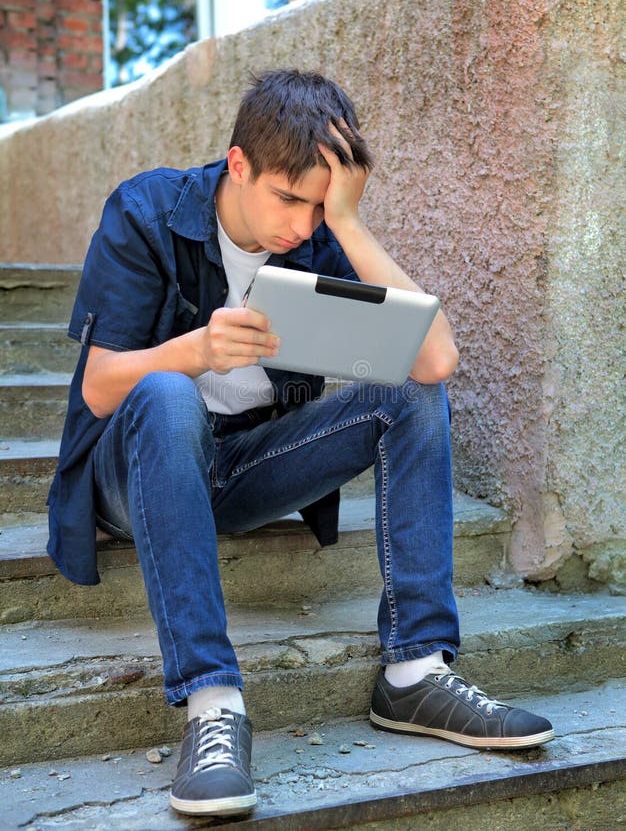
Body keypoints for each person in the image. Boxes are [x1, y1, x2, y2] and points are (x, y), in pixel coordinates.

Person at [47, 69, 554, 818]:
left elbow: (436, 359)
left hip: (247, 468)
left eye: (320, 205)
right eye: (289, 198)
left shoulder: (318, 237)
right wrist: (193, 351)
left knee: (409, 392)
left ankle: (414, 673)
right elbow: (98, 388)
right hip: (136, 471)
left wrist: (348, 221)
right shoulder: (147, 210)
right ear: (239, 163)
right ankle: (213, 705)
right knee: (164, 393)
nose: (299, 226)